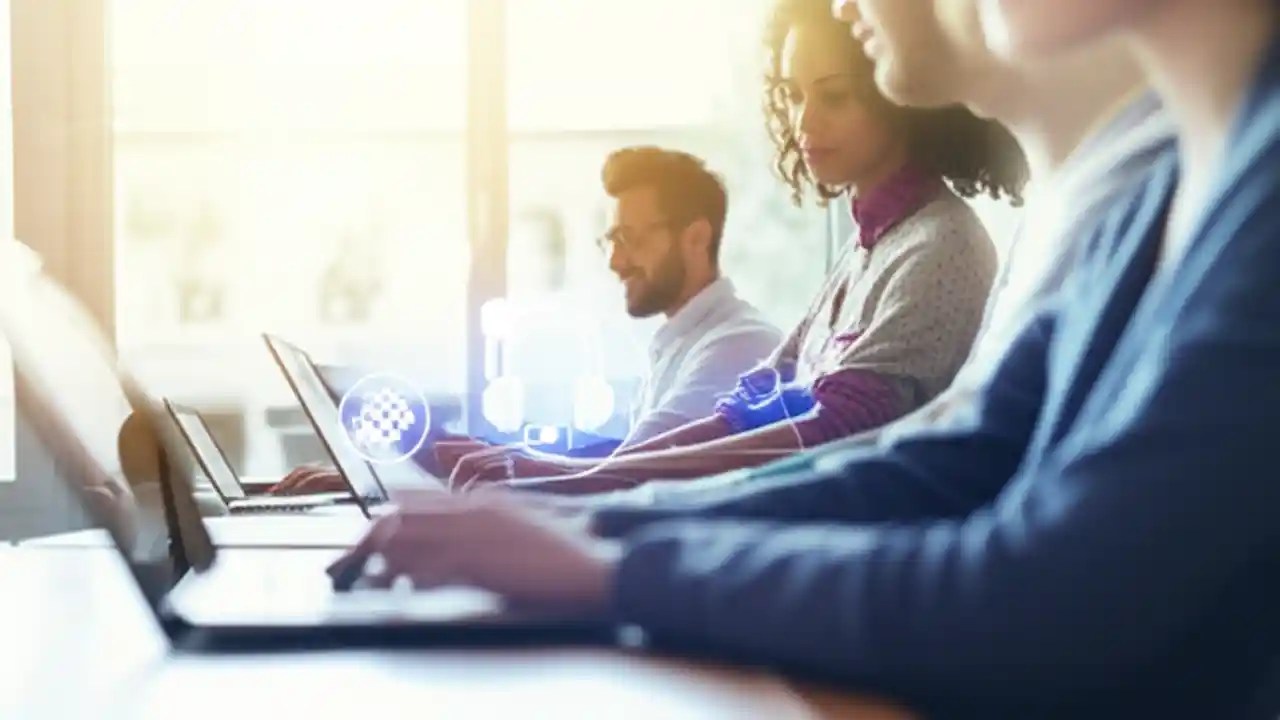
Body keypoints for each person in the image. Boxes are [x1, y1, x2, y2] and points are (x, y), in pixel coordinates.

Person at [328, 0, 1280, 715]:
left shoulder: (1213, 197)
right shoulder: (1169, 181)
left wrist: (611, 557)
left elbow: (1047, 591)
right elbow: (958, 460)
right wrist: (595, 515)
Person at [443, 0, 1026, 491]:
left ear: (896, 96)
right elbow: (740, 419)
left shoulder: (941, 243)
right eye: (793, 95)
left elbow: (829, 431)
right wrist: (569, 475)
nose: (804, 122)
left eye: (834, 96)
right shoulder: (868, 246)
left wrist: (579, 482)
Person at [271, 147, 782, 493]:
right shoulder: (682, 341)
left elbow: (624, 470)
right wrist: (394, 475)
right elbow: (603, 460)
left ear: (696, 237)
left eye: (631, 238)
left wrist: (422, 470)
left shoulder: (738, 346)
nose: (615, 261)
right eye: (613, 239)